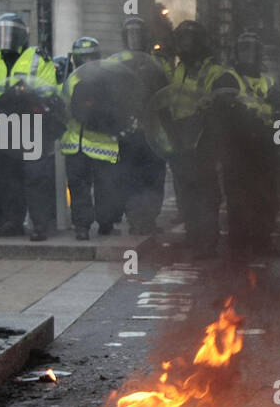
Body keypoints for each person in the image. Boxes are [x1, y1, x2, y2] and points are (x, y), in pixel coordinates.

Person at [0, 13, 57, 240]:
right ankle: (13, 222)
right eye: (1, 34)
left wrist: (26, 94)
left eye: (11, 33)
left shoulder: (38, 58)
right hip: (1, 125)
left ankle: (40, 224)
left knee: (35, 176)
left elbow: (49, 90)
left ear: (21, 36)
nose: (6, 39)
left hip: (30, 124)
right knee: (7, 178)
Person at [213, 30, 279, 257]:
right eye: (243, 49)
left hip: (264, 148)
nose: (247, 54)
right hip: (238, 148)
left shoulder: (269, 80)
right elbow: (221, 108)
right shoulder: (228, 78)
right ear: (236, 53)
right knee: (238, 199)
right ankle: (239, 244)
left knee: (265, 197)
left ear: (259, 53)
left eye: (252, 49)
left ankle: (262, 240)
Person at [165, 21, 225, 256]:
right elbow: (169, 99)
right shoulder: (179, 70)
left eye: (189, 40)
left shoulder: (213, 71)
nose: (184, 46)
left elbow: (218, 102)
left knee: (206, 194)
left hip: (203, 140)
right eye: (181, 41)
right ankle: (193, 237)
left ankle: (208, 242)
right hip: (180, 139)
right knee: (186, 193)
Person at [108, 16, 169, 234]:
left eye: (138, 34)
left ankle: (150, 218)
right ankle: (135, 218)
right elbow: (110, 95)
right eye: (131, 34)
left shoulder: (158, 63)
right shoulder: (115, 63)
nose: (135, 38)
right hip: (127, 130)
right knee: (130, 176)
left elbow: (166, 95)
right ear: (125, 38)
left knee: (154, 176)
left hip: (152, 128)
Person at [59, 37, 125, 240]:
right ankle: (83, 226)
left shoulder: (106, 80)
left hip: (97, 143)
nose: (86, 61)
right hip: (77, 144)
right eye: (83, 57)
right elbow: (63, 107)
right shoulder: (70, 80)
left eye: (90, 57)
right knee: (81, 187)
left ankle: (101, 224)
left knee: (104, 187)